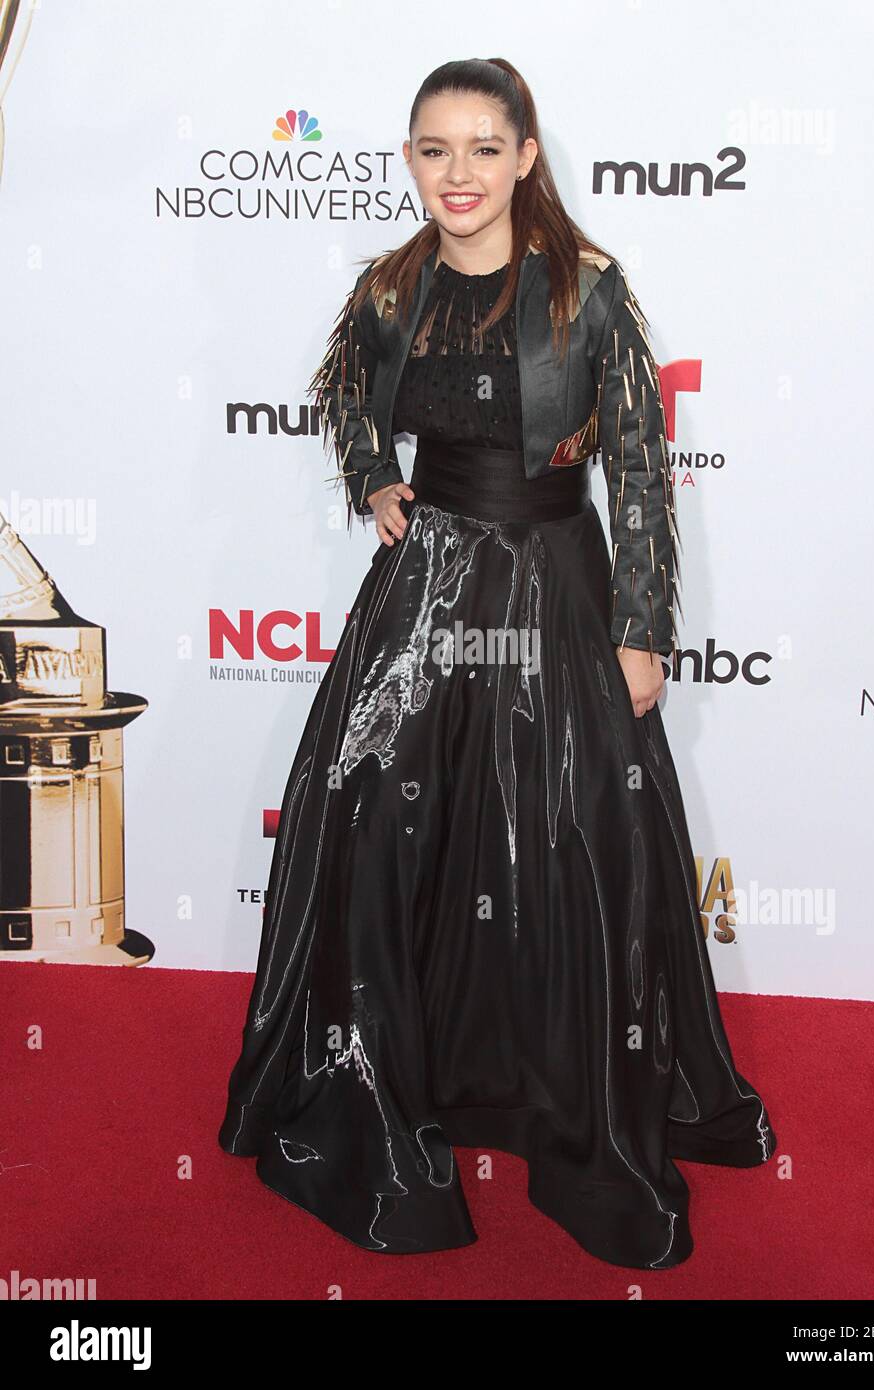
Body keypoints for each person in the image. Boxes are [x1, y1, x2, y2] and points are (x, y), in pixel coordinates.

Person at [218, 57, 777, 1270]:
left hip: (555, 586)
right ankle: (394, 1083)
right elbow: (349, 398)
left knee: (572, 839)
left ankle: (558, 1106)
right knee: (370, 820)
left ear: (526, 155)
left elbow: (635, 466)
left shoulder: (587, 289)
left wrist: (641, 627)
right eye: (433, 149)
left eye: (482, 147)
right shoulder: (389, 287)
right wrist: (372, 478)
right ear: (410, 160)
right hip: (422, 594)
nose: (456, 173)